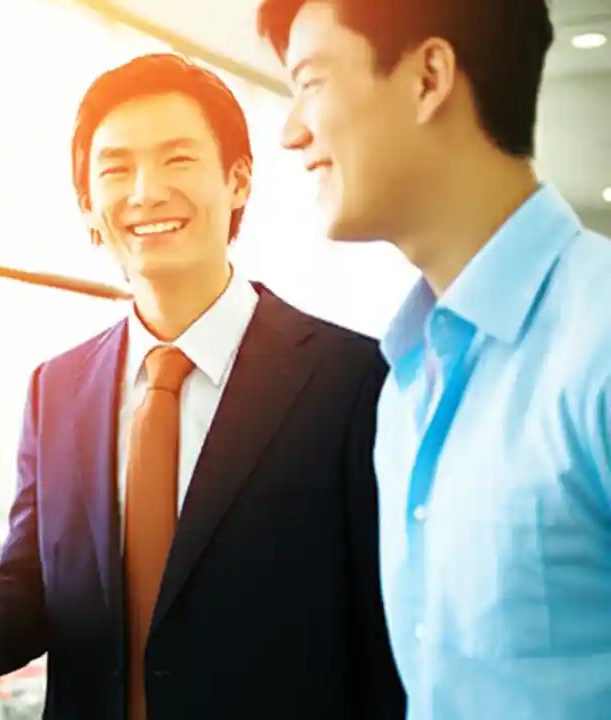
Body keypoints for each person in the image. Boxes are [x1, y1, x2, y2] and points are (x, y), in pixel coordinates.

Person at [0, 53, 404, 719]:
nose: (144, 192)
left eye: (177, 160)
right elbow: (34, 590)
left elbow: (387, 631)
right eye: (116, 169)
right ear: (89, 203)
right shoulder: (56, 390)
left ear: (238, 182)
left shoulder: (352, 381)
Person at [255, 1, 611, 717]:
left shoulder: (598, 341)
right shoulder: (407, 382)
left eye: (312, 82)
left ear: (428, 78)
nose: (291, 132)